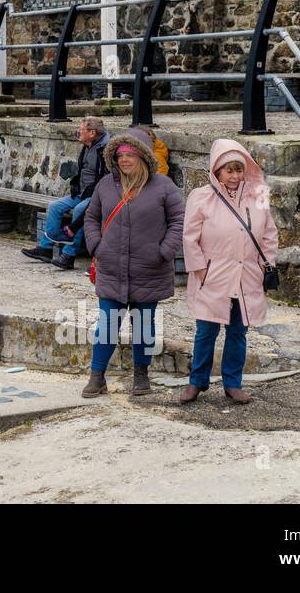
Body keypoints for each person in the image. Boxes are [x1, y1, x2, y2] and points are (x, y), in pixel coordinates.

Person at [81, 128, 185, 398]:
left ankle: (141, 374)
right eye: (119, 154)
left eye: (130, 154)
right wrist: (96, 246)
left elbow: (178, 220)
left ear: (143, 156)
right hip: (112, 267)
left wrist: (164, 251)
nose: (124, 159)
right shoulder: (106, 185)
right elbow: (91, 217)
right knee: (107, 325)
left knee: (143, 325)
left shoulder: (163, 186)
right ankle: (97, 376)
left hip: (148, 268)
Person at [179, 139, 279, 405]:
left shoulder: (257, 197)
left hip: (246, 276)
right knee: (206, 332)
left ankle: (232, 383)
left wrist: (264, 264)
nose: (234, 176)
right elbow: (190, 237)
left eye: (238, 169)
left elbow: (269, 235)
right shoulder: (201, 197)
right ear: (217, 171)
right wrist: (200, 270)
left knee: (238, 332)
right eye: (228, 170)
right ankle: (196, 381)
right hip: (212, 276)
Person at [22, 117, 109, 271]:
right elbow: (83, 171)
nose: (78, 132)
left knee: (80, 210)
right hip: (82, 192)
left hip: (97, 196)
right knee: (55, 206)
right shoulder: (88, 146)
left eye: (81, 130)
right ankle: (45, 249)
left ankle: (68, 256)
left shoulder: (105, 150)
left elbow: (104, 179)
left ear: (92, 133)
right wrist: (76, 184)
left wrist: (89, 191)